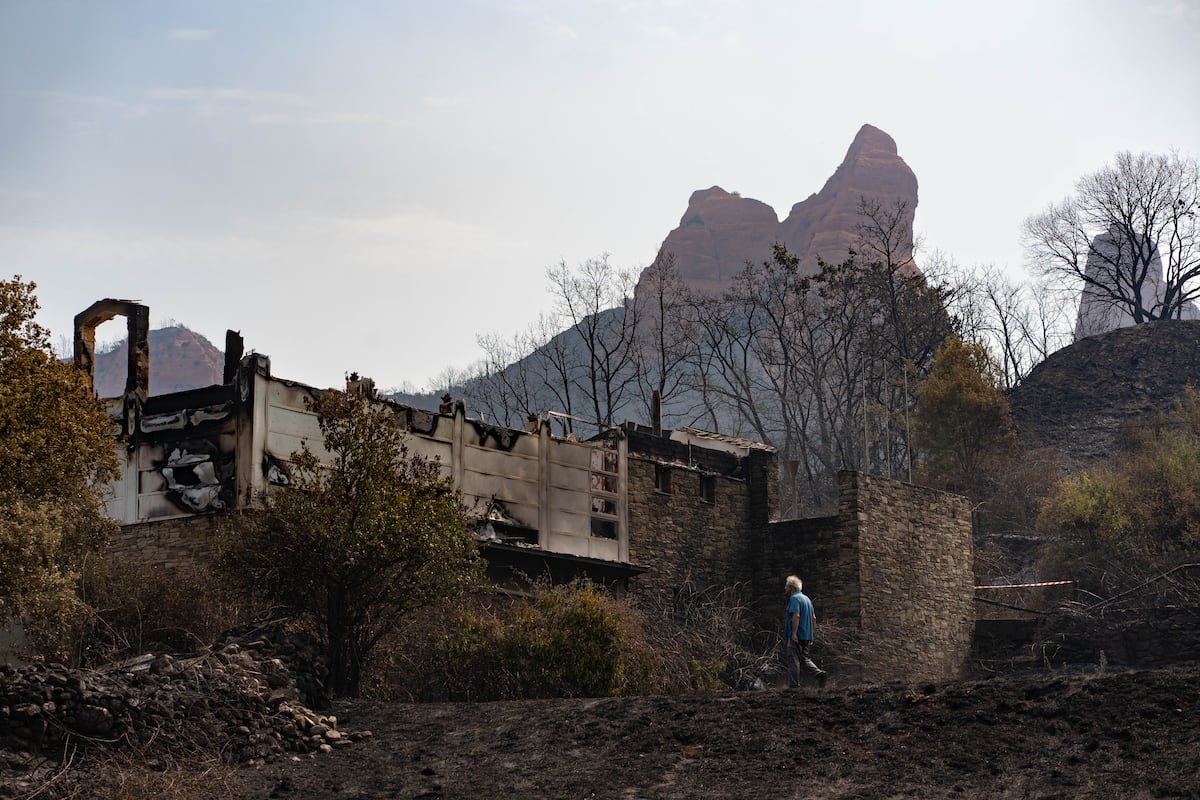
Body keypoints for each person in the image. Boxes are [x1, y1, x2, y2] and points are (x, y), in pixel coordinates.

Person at [784, 575, 828, 688]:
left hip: (797, 635)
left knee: (793, 659)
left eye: (786, 586)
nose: (785, 588)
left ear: (791, 588)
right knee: (804, 659)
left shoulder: (794, 599)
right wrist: (811, 634)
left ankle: (794, 685)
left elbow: (796, 615)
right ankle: (819, 674)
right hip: (807, 636)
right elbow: (813, 618)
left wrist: (794, 633)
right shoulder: (807, 599)